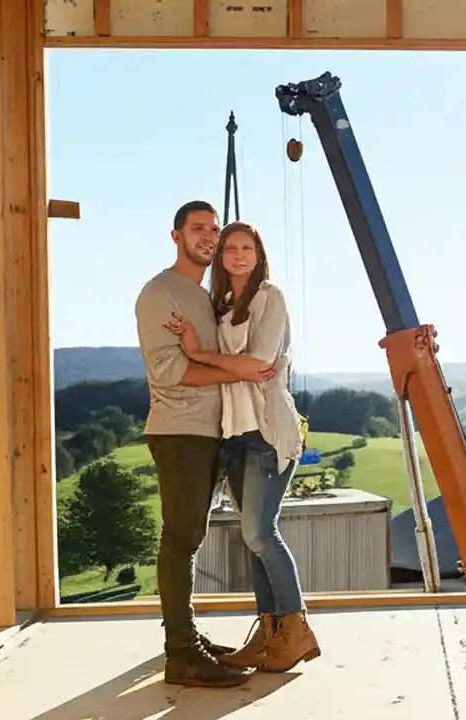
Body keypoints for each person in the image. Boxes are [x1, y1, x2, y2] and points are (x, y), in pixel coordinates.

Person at [166, 220, 321, 673]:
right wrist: (195, 344)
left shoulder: (270, 297)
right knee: (253, 540)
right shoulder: (220, 305)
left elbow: (259, 363)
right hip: (232, 436)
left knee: (259, 531)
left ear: (259, 254)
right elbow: (244, 369)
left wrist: (200, 355)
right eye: (229, 248)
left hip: (269, 432)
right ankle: (269, 632)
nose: (237, 255)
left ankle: (296, 628)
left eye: (246, 248)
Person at [135, 201, 277, 688]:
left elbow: (210, 358)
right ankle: (182, 654)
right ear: (175, 235)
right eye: (198, 229)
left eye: (214, 229)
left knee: (190, 538)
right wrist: (235, 369)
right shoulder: (160, 293)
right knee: (180, 539)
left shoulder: (203, 295)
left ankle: (188, 637)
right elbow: (168, 372)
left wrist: (211, 358)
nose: (209, 237)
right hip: (179, 432)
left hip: (210, 432)